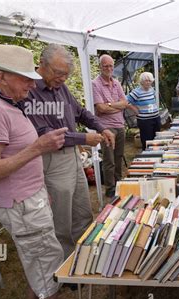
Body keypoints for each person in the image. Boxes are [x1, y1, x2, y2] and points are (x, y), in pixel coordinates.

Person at [0, 44, 67, 299]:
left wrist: (39, 187)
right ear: (1, 77)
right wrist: (38, 147)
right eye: (25, 78)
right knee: (46, 263)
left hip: (26, 198)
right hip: (20, 204)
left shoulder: (3, 102)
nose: (32, 85)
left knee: (37, 260)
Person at [26, 44, 115, 259]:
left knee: (82, 210)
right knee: (61, 217)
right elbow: (46, 134)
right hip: (52, 160)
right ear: (42, 64)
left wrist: (101, 127)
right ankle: (65, 263)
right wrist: (84, 138)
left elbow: (81, 112)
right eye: (59, 73)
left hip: (72, 156)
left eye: (66, 74)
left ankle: (84, 257)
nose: (63, 78)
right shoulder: (30, 92)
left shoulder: (61, 87)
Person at [92, 54, 130, 197]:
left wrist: (109, 105)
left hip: (119, 125)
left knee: (119, 156)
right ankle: (110, 188)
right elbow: (101, 108)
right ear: (100, 67)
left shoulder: (117, 82)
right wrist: (118, 106)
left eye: (110, 66)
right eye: (105, 66)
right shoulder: (95, 84)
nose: (108, 68)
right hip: (106, 127)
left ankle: (118, 183)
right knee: (109, 159)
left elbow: (125, 103)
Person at [126, 72, 160, 150]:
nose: (148, 82)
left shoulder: (152, 89)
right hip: (145, 120)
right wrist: (133, 108)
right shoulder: (137, 92)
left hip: (155, 118)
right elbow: (125, 101)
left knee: (157, 139)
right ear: (141, 81)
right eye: (146, 80)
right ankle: (147, 157)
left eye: (150, 80)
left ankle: (156, 155)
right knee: (147, 141)